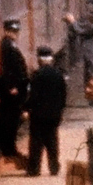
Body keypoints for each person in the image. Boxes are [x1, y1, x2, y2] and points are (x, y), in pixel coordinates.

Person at [0, 20, 29, 165]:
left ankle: (10, 148)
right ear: (6, 31)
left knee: (12, 119)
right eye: (13, 31)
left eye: (16, 31)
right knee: (10, 119)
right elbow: (6, 68)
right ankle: (9, 150)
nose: (15, 34)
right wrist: (12, 86)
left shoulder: (9, 44)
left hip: (13, 88)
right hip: (11, 90)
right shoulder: (7, 46)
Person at [26, 47, 67, 176]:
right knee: (52, 142)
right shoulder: (58, 75)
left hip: (38, 115)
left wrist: (27, 109)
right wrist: (60, 111)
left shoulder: (37, 75)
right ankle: (54, 167)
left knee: (36, 143)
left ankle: (34, 169)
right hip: (54, 115)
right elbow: (63, 95)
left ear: (39, 59)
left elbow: (33, 96)